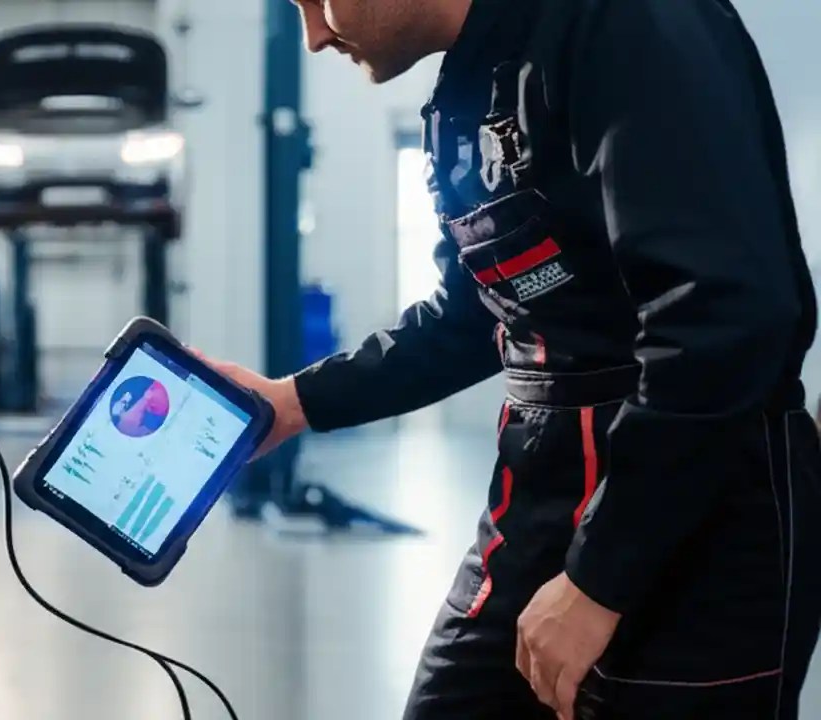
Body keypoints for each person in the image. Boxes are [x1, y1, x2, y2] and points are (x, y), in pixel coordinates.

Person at [202, 0, 821, 717]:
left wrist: (600, 581)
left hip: (696, 510)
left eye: (317, 0)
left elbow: (724, 320)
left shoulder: (628, 23)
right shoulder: (468, 91)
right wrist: (293, 403)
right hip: (537, 505)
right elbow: (473, 318)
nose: (313, 36)